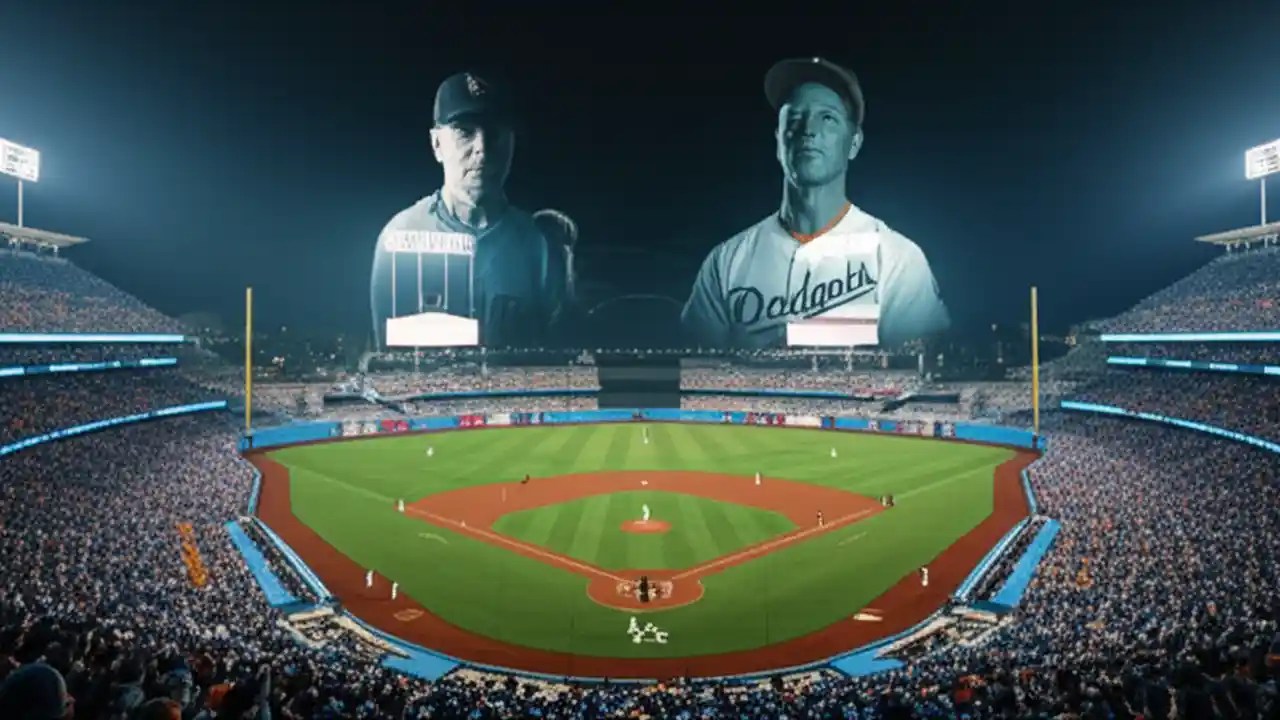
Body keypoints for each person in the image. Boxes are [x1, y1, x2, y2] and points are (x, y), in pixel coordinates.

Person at [681, 57, 949, 349]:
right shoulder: (726, 261)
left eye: (828, 118)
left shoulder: (897, 258)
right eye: (794, 118)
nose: (808, 130)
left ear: (854, 143)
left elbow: (917, 367)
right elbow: (691, 367)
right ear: (779, 141)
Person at [370, 71, 570, 348]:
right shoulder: (400, 238)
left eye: (495, 133)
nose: (482, 149)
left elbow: (560, 354)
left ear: (512, 143)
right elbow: (387, 357)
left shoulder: (540, 244)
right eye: (464, 132)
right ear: (436, 144)